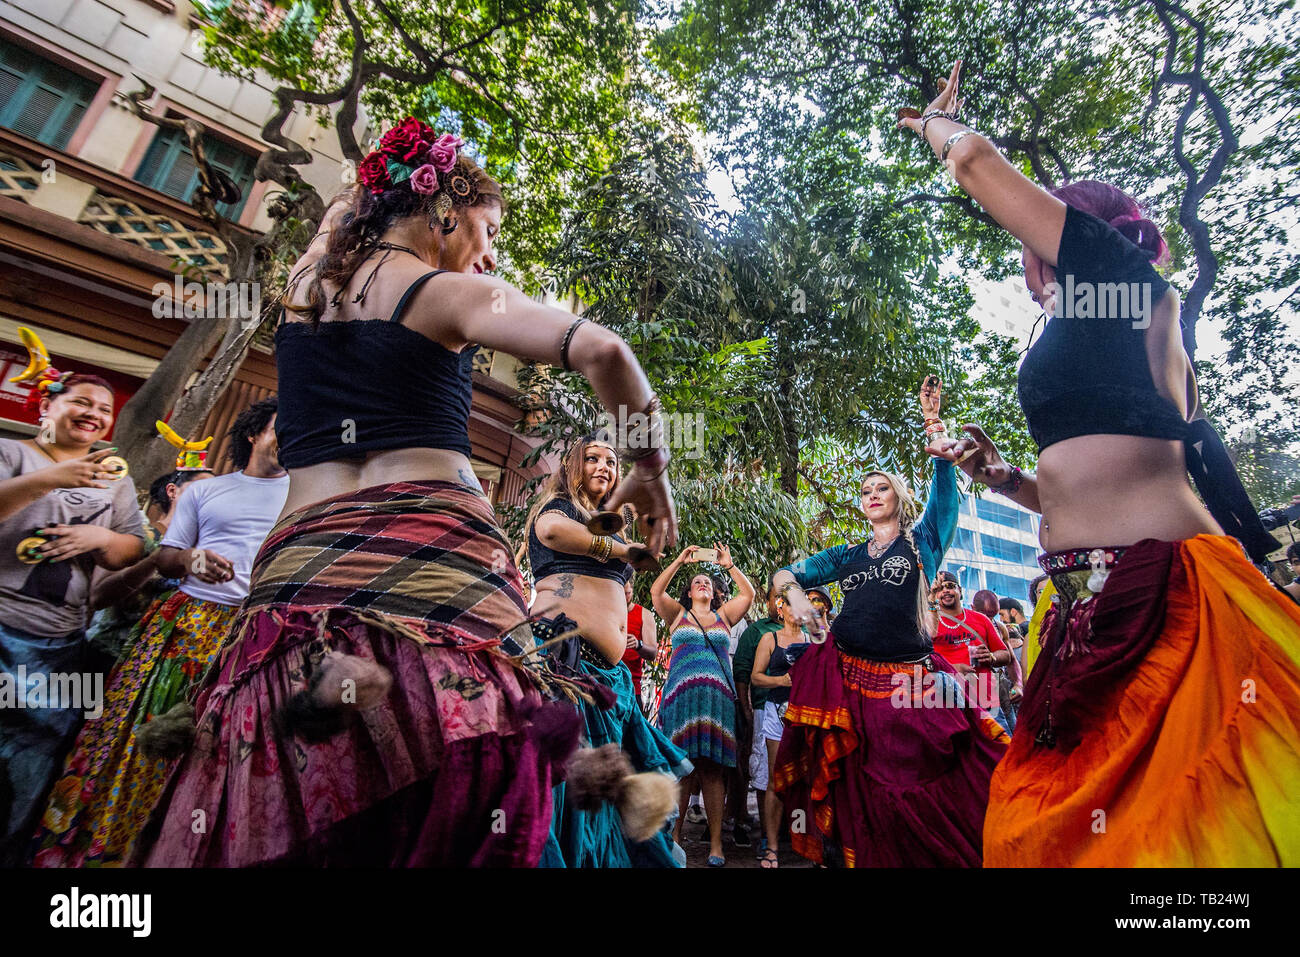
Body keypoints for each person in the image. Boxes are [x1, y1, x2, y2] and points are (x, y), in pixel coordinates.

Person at [141, 117, 677, 867]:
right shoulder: (447, 294)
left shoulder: (304, 290)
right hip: (436, 560)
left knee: (304, 786)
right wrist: (650, 471)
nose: (490, 254)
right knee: (485, 768)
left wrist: (389, 183)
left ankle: (347, 680)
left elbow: (343, 213)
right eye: (487, 229)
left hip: (301, 570)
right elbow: (605, 351)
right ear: (446, 207)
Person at [900, 63, 1300, 865]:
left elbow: (976, 167)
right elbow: (1101, 473)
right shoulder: (1092, 323)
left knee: (1175, 839)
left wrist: (935, 128)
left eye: (1034, 236)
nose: (1026, 255)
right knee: (1046, 833)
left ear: (1079, 235)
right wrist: (1002, 478)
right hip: (1084, 606)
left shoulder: (1125, 282)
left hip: (1168, 602)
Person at [30, 398, 288, 867]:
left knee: (208, 750)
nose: (292, 435)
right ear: (254, 434)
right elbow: (167, 558)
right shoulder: (205, 492)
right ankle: (83, 850)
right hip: (185, 624)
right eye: (281, 427)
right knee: (129, 732)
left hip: (253, 636)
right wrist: (192, 560)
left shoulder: (306, 495)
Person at [771, 377, 1008, 868]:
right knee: (854, 790)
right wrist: (805, 609)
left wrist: (934, 426)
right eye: (865, 490)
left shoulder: (922, 544)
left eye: (882, 487)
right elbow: (786, 573)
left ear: (898, 495)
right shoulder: (849, 553)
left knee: (916, 787)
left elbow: (946, 498)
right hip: (847, 680)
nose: (872, 494)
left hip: (911, 685)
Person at [0, 363, 145, 866]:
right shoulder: (11, 452)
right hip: (1, 625)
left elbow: (133, 546)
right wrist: (48, 479)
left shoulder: (114, 478)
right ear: (47, 406)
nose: (94, 414)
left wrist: (101, 539)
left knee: (37, 758)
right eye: (81, 402)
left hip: (62, 642)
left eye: (104, 409)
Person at [524, 436, 688, 868]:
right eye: (592, 458)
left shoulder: (609, 520)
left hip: (610, 679)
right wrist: (624, 550)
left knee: (606, 795)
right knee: (565, 788)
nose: (604, 466)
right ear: (572, 467)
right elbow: (553, 532)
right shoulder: (559, 508)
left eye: (611, 461)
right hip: (561, 659)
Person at [651, 544, 755, 867]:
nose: (703, 584)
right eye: (696, 582)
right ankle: (674, 838)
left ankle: (715, 844)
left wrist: (730, 564)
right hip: (680, 703)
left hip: (716, 705)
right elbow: (656, 591)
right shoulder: (678, 615)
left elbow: (748, 594)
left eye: (708, 583)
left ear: (714, 593)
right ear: (689, 590)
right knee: (682, 771)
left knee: (712, 772)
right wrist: (680, 561)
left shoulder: (725, 616)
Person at [81, 468, 214, 671]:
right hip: (105, 654)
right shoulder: (139, 537)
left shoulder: (199, 551)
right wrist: (153, 562)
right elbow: (98, 597)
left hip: (150, 666)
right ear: (172, 491)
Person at [749, 594, 811, 868]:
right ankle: (771, 847)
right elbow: (755, 676)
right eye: (790, 604)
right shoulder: (769, 639)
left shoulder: (813, 640)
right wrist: (781, 680)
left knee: (807, 780)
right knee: (776, 778)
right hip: (776, 712)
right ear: (781, 609)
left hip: (807, 716)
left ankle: (809, 845)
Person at [732, 574, 782, 858]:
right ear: (766, 602)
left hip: (800, 713)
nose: (780, 602)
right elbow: (742, 672)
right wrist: (747, 709)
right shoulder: (757, 632)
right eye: (775, 597)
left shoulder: (804, 629)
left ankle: (792, 831)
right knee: (764, 774)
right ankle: (767, 834)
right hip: (765, 709)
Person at [930, 573, 1013, 734]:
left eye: (950, 586)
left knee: (1003, 751)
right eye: (940, 588)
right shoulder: (930, 624)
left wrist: (991, 657)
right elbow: (921, 662)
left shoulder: (981, 619)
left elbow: (1005, 654)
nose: (945, 591)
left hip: (986, 700)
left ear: (959, 590)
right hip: (949, 703)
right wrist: (951, 669)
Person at [621, 575, 658, 711]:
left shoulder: (644, 614)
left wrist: (638, 644)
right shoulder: (605, 611)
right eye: (620, 593)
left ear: (632, 591)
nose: (624, 597)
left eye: (627, 593)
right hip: (604, 684)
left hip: (631, 687)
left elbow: (653, 653)